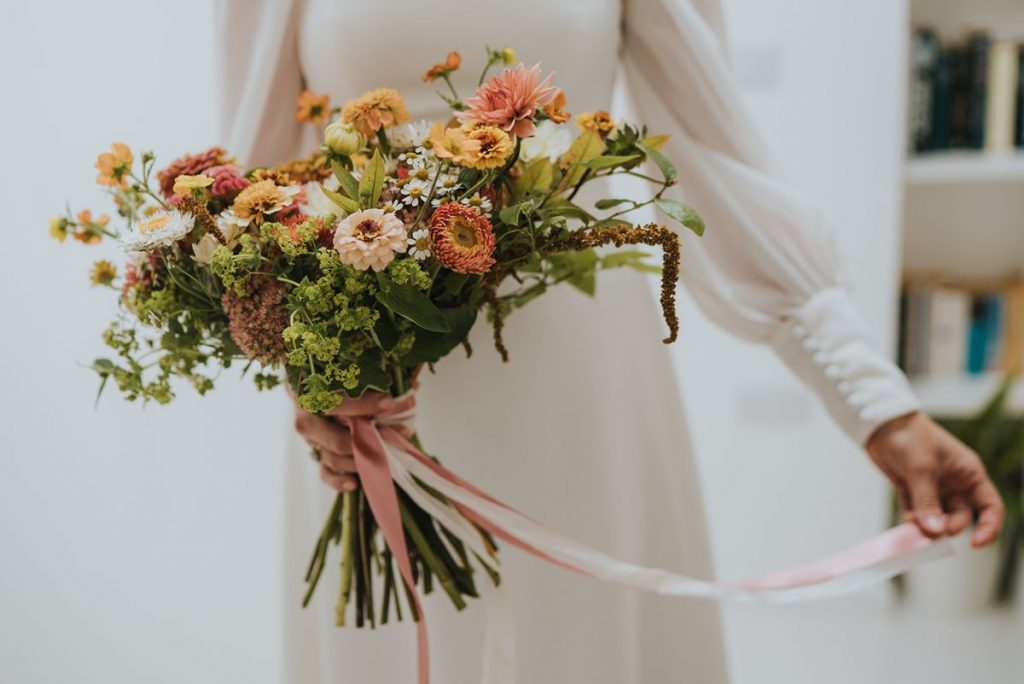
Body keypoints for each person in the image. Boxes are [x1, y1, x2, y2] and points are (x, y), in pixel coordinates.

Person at [217, 1, 1004, 681]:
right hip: (376, 379)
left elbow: (716, 161)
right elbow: (247, 191)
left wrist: (875, 402)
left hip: (583, 370)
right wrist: (312, 374)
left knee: (582, 636)